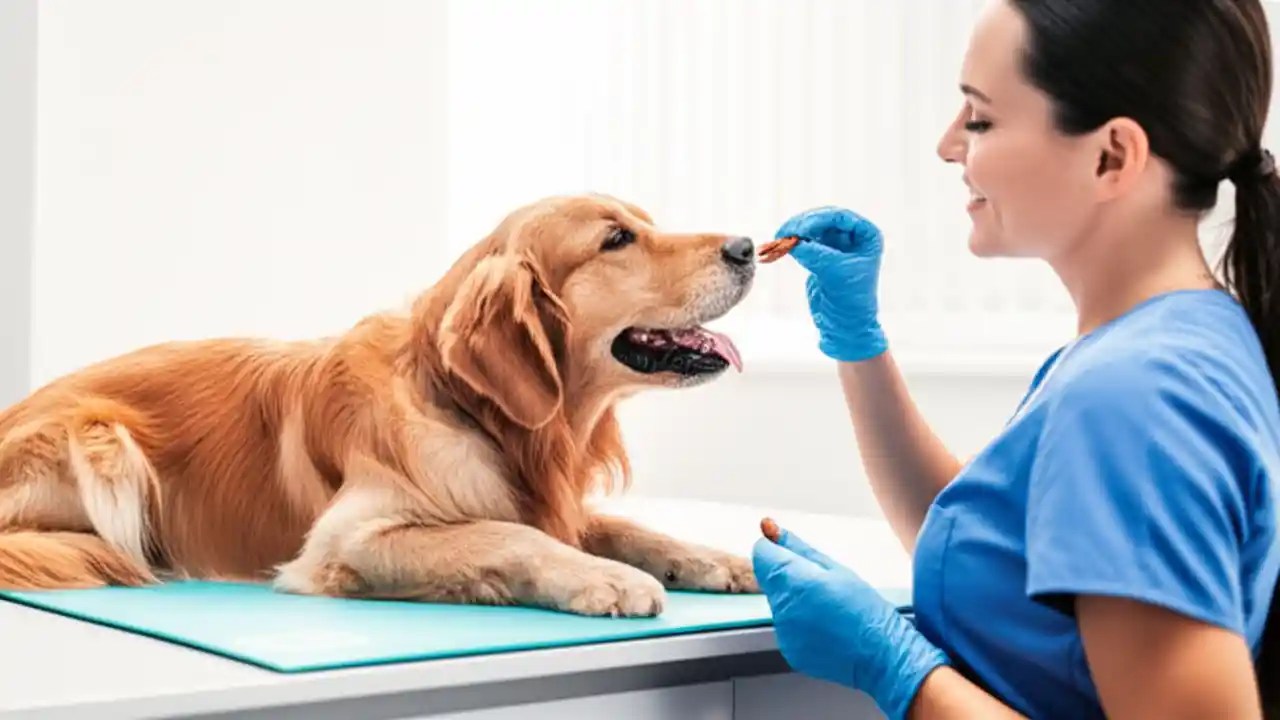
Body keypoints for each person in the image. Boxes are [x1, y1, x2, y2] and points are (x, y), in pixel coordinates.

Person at [750, 1, 1280, 718]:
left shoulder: (1133, 395)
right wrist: (858, 341)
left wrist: (901, 674)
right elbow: (995, 554)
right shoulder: (1162, 346)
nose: (947, 146)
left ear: (1111, 156)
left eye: (980, 119)